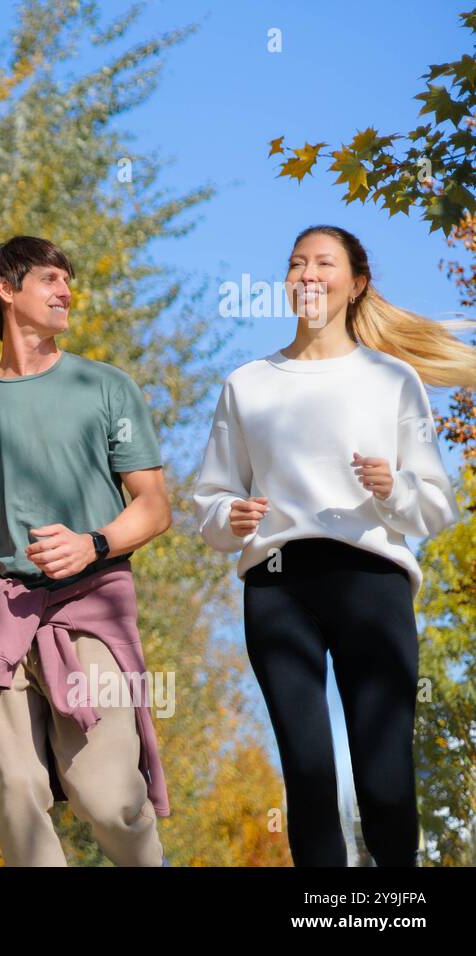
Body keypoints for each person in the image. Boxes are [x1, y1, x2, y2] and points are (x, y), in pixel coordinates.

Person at [192, 224, 476, 866]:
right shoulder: (247, 383)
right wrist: (231, 516)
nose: (308, 273)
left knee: (383, 779)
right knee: (309, 775)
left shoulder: (392, 379)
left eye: (324, 263)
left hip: (371, 583)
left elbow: (435, 505)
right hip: (276, 587)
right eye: (297, 263)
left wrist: (392, 487)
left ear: (357, 283)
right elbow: (208, 503)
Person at [0, 235, 174, 866]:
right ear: (6, 289)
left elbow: (154, 505)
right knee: (17, 793)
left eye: (68, 281)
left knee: (107, 796)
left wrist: (93, 545)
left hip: (92, 610)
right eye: (51, 280)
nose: (66, 292)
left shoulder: (105, 387)